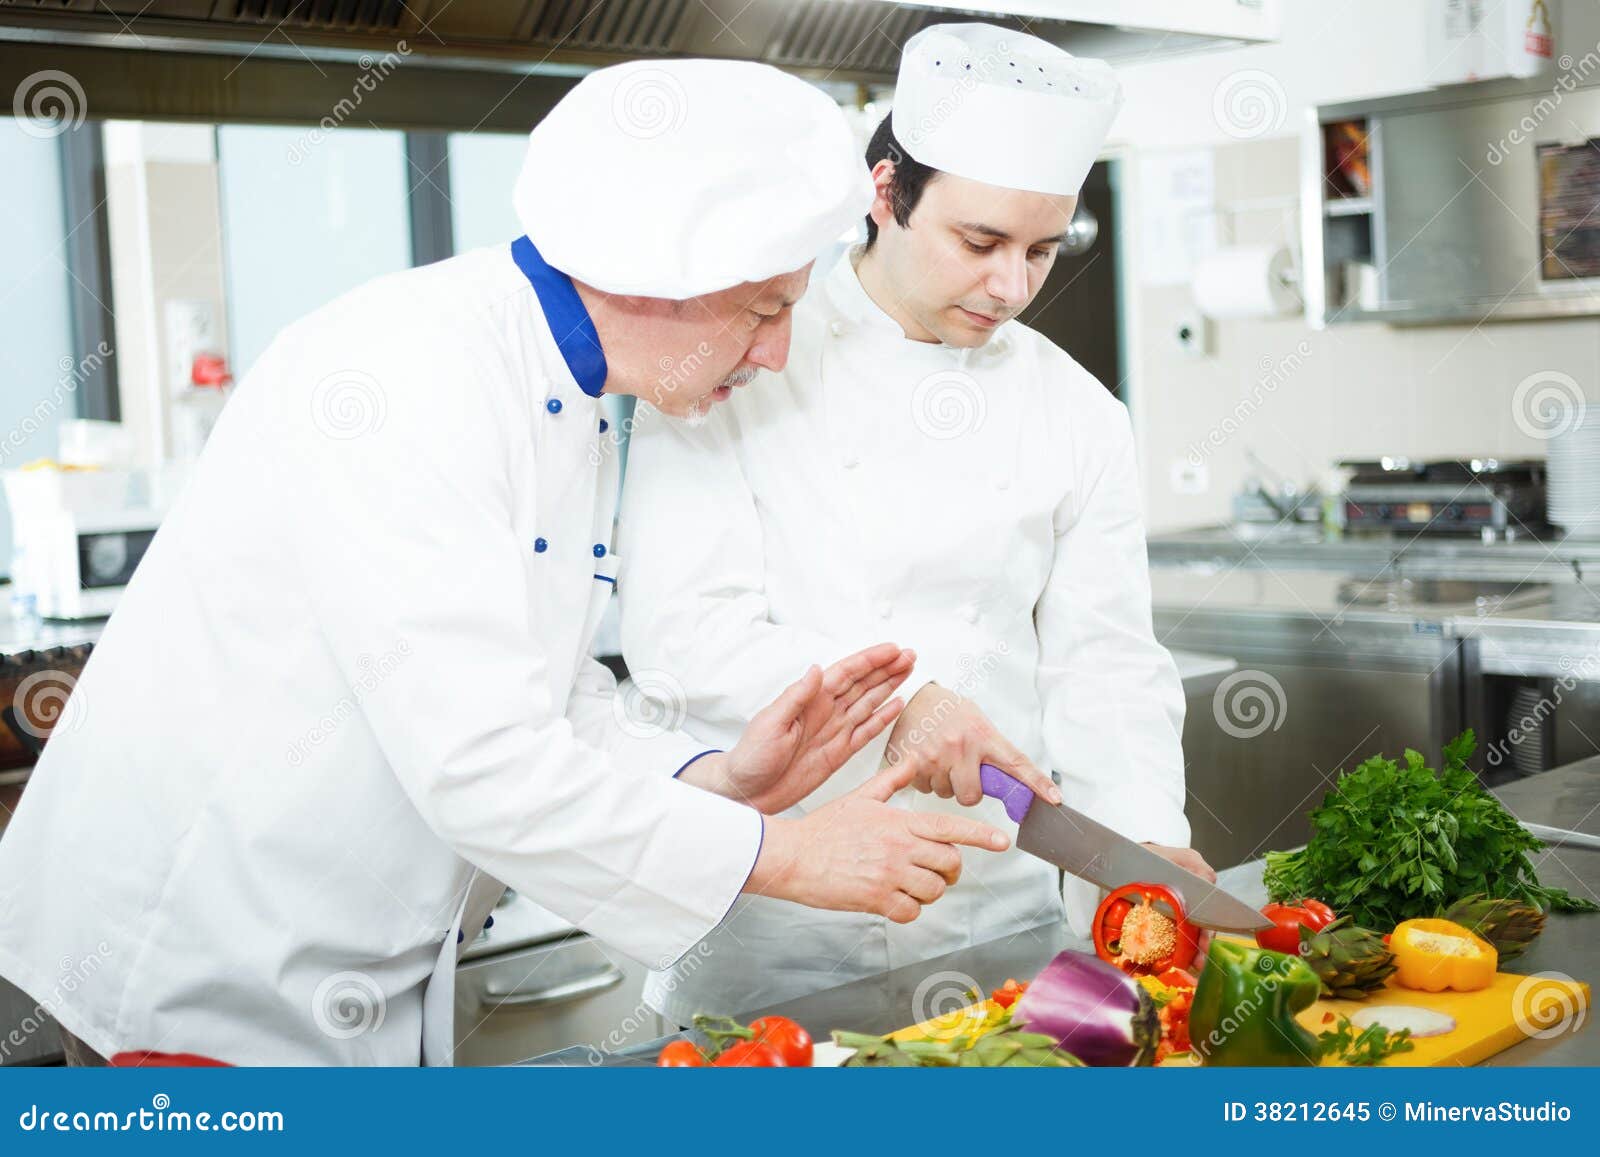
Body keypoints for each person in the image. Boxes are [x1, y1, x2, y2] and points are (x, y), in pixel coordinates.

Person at [0, 59, 1012, 1066]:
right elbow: (481, 763)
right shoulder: (405, 378)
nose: (777, 354)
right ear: (648, 280)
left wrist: (719, 777)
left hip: (345, 950)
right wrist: (788, 851)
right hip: (204, 960)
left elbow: (548, 704)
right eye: (760, 311)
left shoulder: (574, 393)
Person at [617, 25, 1213, 1026]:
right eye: (979, 243)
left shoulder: (1078, 413)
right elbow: (684, 630)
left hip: (998, 931)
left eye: (1040, 249)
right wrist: (905, 704)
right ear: (885, 191)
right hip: (770, 930)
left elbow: (1103, 664)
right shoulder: (743, 355)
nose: (1012, 288)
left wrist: (1141, 844)